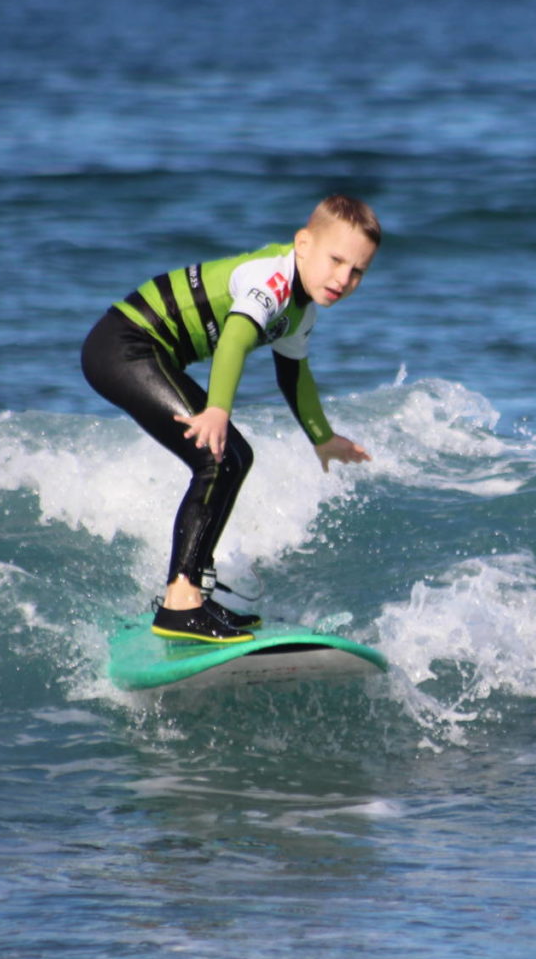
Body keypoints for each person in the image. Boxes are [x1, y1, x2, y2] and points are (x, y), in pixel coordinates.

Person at [82, 195, 380, 644]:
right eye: (336, 260)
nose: (344, 278)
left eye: (357, 270)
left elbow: (293, 373)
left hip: (142, 352)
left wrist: (322, 437)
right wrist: (217, 409)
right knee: (219, 457)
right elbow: (235, 338)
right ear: (303, 244)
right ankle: (179, 604)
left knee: (235, 457)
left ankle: (192, 592)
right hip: (124, 347)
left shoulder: (301, 311)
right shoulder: (272, 280)